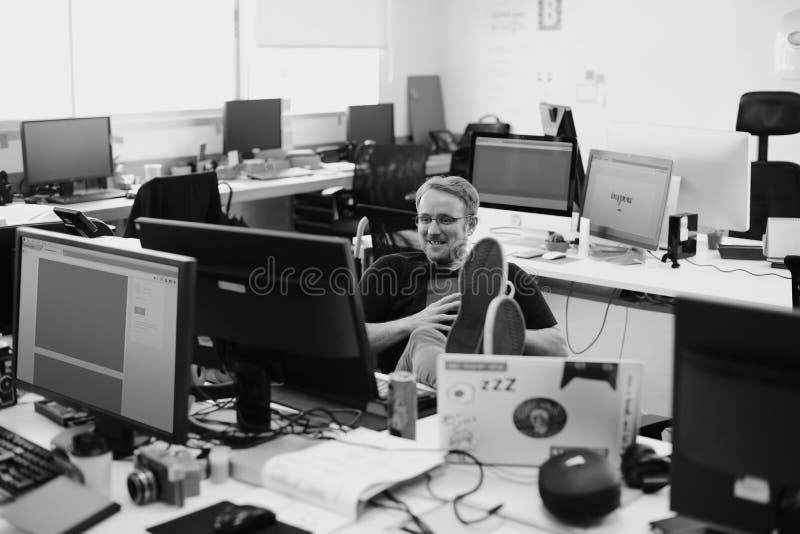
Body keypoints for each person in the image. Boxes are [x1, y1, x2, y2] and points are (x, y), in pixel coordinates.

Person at [359, 175, 567, 386]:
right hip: (409, 393)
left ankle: (470, 364)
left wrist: (502, 333)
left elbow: (557, 348)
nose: (432, 230)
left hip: (485, 388)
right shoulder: (391, 270)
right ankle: (462, 384)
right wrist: (411, 323)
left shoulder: (502, 273)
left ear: (470, 225)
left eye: (445, 219)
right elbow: (351, 339)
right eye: (425, 219)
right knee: (424, 335)